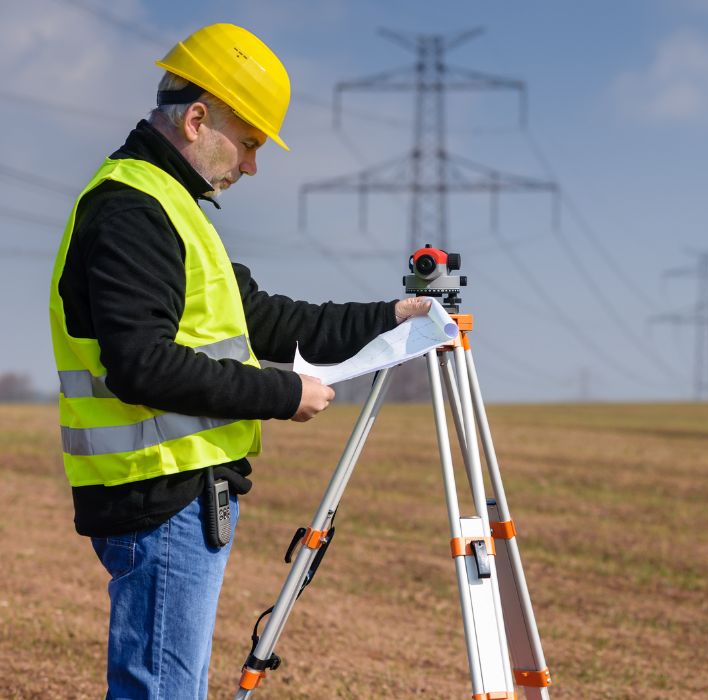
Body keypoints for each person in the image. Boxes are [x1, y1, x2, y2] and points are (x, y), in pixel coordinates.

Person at [47, 24, 430, 698]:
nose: (252, 165)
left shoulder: (173, 209)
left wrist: (391, 318)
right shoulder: (134, 210)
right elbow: (142, 366)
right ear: (197, 119)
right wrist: (282, 394)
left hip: (179, 493)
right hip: (159, 492)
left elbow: (272, 320)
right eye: (249, 142)